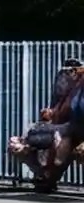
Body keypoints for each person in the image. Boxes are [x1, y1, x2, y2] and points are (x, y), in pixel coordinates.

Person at [7, 57, 84, 193]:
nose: (68, 76)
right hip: (65, 135)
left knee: (64, 142)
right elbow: (52, 121)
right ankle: (44, 177)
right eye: (66, 72)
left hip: (71, 135)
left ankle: (48, 176)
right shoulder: (63, 96)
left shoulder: (78, 93)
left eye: (73, 71)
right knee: (18, 145)